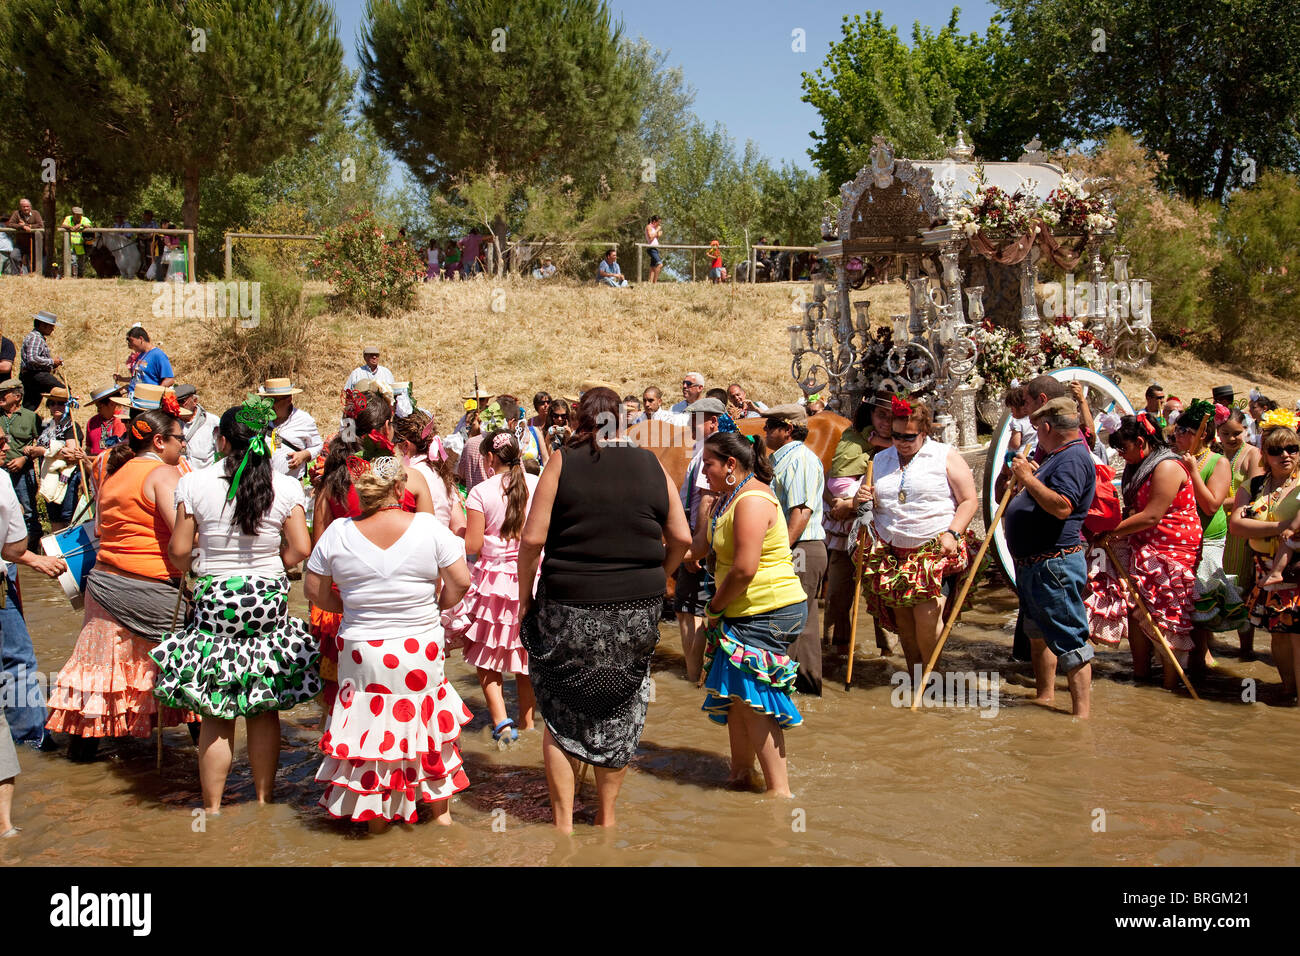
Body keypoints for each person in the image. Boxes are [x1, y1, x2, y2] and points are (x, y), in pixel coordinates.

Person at [518, 387, 689, 832]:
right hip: (638, 609)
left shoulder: (562, 460)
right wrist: (659, 576)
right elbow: (684, 540)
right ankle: (607, 820)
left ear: (579, 418)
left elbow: (533, 539)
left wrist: (523, 597)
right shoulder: (651, 464)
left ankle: (563, 828)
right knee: (621, 706)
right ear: (622, 418)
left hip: (569, 606)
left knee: (560, 711)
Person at [151, 397, 318, 813]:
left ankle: (211, 810)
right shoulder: (287, 486)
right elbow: (301, 547)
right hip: (268, 596)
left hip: (215, 596)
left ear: (222, 440)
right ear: (265, 441)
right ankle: (263, 802)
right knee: (263, 708)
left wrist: (201, 568)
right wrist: (271, 567)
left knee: (216, 709)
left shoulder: (192, 482)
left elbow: (179, 550)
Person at [305, 455, 471, 831]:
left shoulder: (338, 532)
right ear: (399, 490)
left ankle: (378, 820)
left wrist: (347, 607)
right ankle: (441, 815)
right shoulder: (428, 528)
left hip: (364, 650)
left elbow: (313, 591)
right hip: (420, 646)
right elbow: (460, 581)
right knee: (428, 724)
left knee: (370, 730)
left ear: (362, 495)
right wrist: (437, 605)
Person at [45, 407, 200, 760]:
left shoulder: (112, 472)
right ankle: (215, 768)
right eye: (179, 439)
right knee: (190, 669)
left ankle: (80, 762)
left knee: (96, 677)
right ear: (160, 442)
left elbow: (100, 530)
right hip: (151, 588)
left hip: (102, 587)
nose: (183, 448)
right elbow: (182, 536)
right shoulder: (164, 474)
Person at [697, 430, 807, 795]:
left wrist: (714, 607)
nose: (703, 471)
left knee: (752, 695)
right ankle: (741, 775)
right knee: (736, 696)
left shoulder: (753, 501)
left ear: (731, 465)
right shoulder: (729, 499)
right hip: (744, 610)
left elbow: (745, 568)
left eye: (708, 463)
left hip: (769, 609)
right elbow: (702, 548)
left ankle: (780, 791)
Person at [859, 396, 978, 677]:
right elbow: (869, 504)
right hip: (892, 554)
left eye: (909, 437)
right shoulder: (879, 459)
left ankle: (935, 681)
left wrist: (952, 533)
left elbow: (969, 500)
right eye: (896, 435)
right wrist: (862, 499)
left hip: (934, 550)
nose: (901, 441)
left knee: (927, 623)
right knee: (906, 628)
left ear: (924, 432)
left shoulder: (944, 455)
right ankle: (916, 684)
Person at [1094, 413, 1203, 689]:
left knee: (1166, 616)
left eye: (1124, 449)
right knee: (1135, 610)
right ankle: (1141, 677)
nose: (1121, 456)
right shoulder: (1140, 465)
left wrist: (1111, 531)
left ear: (1141, 442)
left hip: (1171, 546)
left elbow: (1153, 515)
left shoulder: (1166, 466)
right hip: (1141, 541)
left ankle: (1171, 684)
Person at [1003, 397, 1096, 716]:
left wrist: (1027, 478)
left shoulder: (1072, 458)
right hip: (1036, 563)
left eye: (1036, 429)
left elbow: (1062, 506)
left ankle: (1081, 716)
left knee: (1070, 637)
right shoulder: (1060, 456)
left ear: (1046, 427)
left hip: (1054, 562)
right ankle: (1045, 696)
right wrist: (1029, 478)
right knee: (1037, 632)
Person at [446, 430, 538, 744]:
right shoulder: (537, 484)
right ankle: (529, 724)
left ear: (488, 458)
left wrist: (456, 528)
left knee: (487, 656)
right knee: (526, 656)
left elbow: (472, 544)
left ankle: (502, 726)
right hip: (531, 577)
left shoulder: (480, 492)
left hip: (492, 583)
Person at [0, 435, 66, 750]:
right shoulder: (0, 479)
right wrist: (36, 560)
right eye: (0, 442)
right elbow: (14, 547)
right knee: (17, 659)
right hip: (2, 573)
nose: (6, 447)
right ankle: (31, 736)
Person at [1229, 409, 1300, 697]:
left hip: (1296, 568)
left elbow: (1247, 525)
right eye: (1276, 450)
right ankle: (1288, 692)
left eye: (1292, 448)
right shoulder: (1254, 486)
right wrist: (1285, 527)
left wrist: (1262, 527)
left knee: (1297, 637)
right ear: (1265, 454)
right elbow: (1236, 525)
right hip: (1264, 568)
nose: (1285, 455)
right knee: (1279, 635)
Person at [1171, 400, 1246, 665]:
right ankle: (1189, 653)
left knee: (1202, 598)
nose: (1178, 435)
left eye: (1185, 431)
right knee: (1182, 599)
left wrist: (1193, 471)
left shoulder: (1218, 462)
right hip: (1180, 538)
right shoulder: (1175, 459)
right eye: (1177, 430)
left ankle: (1204, 655)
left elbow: (1212, 504)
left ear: (1202, 433)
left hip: (1208, 538)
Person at [763, 404, 828, 695]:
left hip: (800, 546)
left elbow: (800, 512)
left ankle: (793, 689)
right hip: (797, 545)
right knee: (803, 621)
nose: (764, 430)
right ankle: (805, 689)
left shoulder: (799, 459)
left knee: (793, 621)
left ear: (788, 429)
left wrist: (780, 550)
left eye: (770, 425)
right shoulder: (781, 460)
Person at [825, 393, 893, 659]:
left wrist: (851, 504)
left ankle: (890, 655)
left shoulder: (902, 449)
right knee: (837, 597)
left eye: (891, 417)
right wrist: (836, 502)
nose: (886, 422)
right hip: (844, 535)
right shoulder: (851, 441)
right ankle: (837, 653)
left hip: (881, 536)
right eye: (880, 415)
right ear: (869, 416)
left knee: (883, 595)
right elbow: (829, 478)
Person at [674, 397, 724, 682]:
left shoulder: (712, 452)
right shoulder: (703, 450)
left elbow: (708, 502)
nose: (690, 424)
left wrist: (697, 549)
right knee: (685, 609)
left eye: (697, 420)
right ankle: (696, 676)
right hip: (693, 541)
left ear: (712, 422)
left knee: (694, 611)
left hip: (698, 543)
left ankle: (697, 678)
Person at [1218, 407, 1264, 658]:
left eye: (1237, 433)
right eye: (1226, 433)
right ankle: (1214, 645)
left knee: (1241, 588)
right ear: (1218, 433)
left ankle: (1246, 650)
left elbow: (1254, 497)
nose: (1232, 438)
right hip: (1219, 529)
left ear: (1246, 429)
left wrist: (1214, 502)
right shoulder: (1219, 454)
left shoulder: (1252, 454)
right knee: (1217, 586)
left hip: (1240, 531)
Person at [0, 379, 45, 548]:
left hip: (23, 471)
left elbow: (41, 444)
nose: (0, 397)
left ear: (17, 396)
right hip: (0, 472)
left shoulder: (31, 417)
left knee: (28, 510)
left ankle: (29, 549)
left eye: (4, 394)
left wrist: (24, 458)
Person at [36, 386, 85, 525]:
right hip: (49, 475)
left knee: (66, 514)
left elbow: (72, 453)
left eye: (61, 403)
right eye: (52, 403)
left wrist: (44, 451)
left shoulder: (71, 426)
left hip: (65, 475)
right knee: (53, 515)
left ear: (67, 405)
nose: (56, 406)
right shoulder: (46, 426)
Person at [259, 378, 322, 484]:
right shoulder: (259, 420)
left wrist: (303, 455)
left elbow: (318, 446)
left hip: (293, 484)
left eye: (273, 401)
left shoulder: (304, 420)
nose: (269, 406)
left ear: (289, 399)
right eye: (266, 401)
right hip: (263, 485)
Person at [19, 311, 63, 410]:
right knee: (63, 392)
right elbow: (33, 358)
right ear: (43, 325)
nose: (53, 329)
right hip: (36, 375)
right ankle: (58, 415)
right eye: (51, 326)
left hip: (30, 376)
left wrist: (52, 364)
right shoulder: (36, 338)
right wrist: (52, 362)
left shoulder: (35, 337)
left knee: (30, 406)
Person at [176, 384, 220, 469]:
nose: (178, 406)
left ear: (195, 401)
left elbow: (221, 454)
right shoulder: (172, 422)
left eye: (182, 402)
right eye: (175, 402)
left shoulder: (212, 422)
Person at [124, 326, 174, 393]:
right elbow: (140, 379)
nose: (130, 344)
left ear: (141, 339)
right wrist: (121, 379)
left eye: (131, 341)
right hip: (134, 397)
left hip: (147, 400)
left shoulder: (158, 355)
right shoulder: (141, 355)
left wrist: (155, 394)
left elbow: (169, 380)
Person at [84, 384, 127, 458]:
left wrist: (87, 458)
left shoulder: (123, 421)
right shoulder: (93, 421)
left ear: (111, 404)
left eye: (100, 407)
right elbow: (88, 448)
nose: (98, 411)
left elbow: (116, 454)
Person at [6, 199, 43, 274]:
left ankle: (33, 278)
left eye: (27, 206)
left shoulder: (36, 213)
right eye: (23, 207)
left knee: (32, 264)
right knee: (14, 256)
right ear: (20, 207)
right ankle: (16, 276)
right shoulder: (17, 213)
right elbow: (10, 224)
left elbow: (40, 225)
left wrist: (28, 226)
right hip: (20, 243)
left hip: (33, 244)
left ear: (30, 207)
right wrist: (22, 227)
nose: (25, 208)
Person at [61, 206, 93, 278]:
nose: (79, 216)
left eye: (80, 215)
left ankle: (81, 277)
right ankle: (74, 277)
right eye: (77, 215)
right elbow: (63, 225)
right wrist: (71, 227)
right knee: (73, 261)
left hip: (81, 245)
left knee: (81, 263)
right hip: (71, 245)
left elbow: (90, 225)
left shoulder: (84, 219)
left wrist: (81, 225)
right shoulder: (69, 218)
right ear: (73, 214)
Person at [645, 216, 664, 283]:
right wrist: (657, 230)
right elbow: (650, 237)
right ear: (654, 222)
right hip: (651, 248)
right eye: (658, 222)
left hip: (655, 248)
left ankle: (650, 281)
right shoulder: (649, 227)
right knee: (660, 264)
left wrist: (658, 234)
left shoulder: (653, 228)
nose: (659, 224)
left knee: (653, 266)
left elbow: (655, 237)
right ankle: (654, 282)